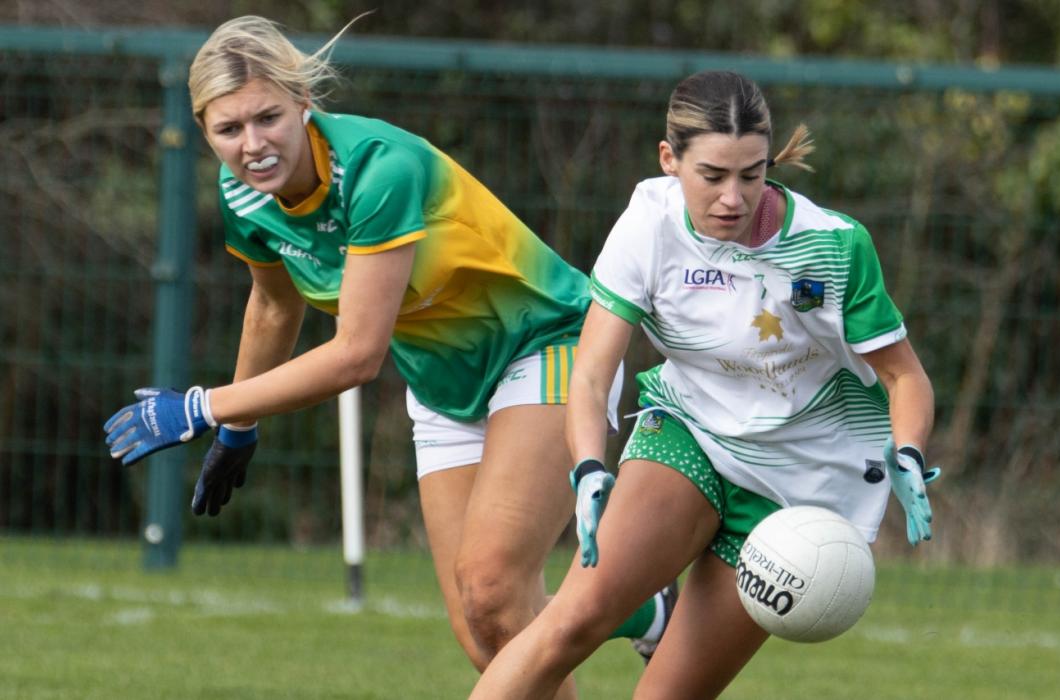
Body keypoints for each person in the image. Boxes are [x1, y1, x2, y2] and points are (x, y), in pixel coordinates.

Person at [101, 15, 674, 695]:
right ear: (204, 132)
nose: (252, 145)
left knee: (493, 588)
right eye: (229, 130)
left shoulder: (378, 170)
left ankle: (638, 604)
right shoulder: (243, 194)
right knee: (482, 628)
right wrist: (238, 424)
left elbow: (355, 356)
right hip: (441, 380)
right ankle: (649, 610)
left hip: (544, 342)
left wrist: (203, 407)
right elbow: (275, 305)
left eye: (268, 118)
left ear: (304, 105)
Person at [469, 70, 940, 700]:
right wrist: (586, 468)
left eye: (752, 174)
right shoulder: (648, 226)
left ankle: (660, 619)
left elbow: (904, 376)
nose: (733, 198)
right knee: (568, 624)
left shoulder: (832, 247)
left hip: (799, 488)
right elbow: (590, 373)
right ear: (669, 159)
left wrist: (907, 448)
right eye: (712, 176)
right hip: (689, 432)